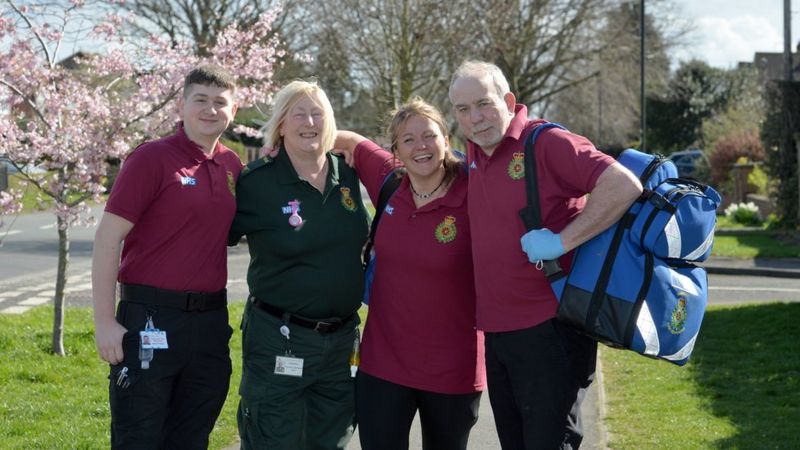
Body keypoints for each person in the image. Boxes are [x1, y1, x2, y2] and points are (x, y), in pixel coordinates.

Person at [448, 60, 643, 449]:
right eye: (463, 110)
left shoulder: (546, 143)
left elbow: (624, 185)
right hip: (499, 333)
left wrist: (561, 241)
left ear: (508, 100)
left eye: (484, 103)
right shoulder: (474, 152)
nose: (475, 118)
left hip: (551, 330)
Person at [91, 64, 242, 449]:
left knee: (192, 438)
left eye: (220, 102)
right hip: (149, 321)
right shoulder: (151, 158)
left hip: (209, 326)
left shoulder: (233, 166)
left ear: (234, 110)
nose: (210, 110)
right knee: (139, 438)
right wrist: (105, 322)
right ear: (181, 105)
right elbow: (108, 239)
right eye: (200, 100)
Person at [333, 97, 486, 450]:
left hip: (453, 367)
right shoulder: (390, 182)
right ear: (396, 151)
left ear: (447, 140)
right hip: (383, 363)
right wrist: (279, 141)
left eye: (429, 135)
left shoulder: (474, 191)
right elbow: (349, 141)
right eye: (408, 139)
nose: (421, 146)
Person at [229, 80, 368, 449]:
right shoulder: (257, 183)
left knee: (332, 439)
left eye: (318, 112)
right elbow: (206, 235)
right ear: (280, 125)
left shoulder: (350, 175)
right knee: (271, 439)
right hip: (279, 339)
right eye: (299, 113)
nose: (310, 121)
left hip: (341, 344)